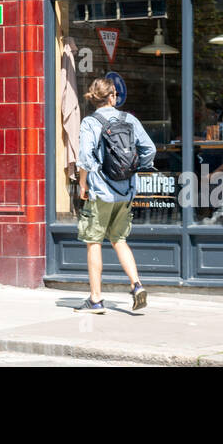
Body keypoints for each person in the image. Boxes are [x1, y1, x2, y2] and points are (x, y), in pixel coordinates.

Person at [75, 76, 156, 313]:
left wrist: (83, 184)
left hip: (101, 191)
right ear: (112, 96)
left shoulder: (90, 122)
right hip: (126, 190)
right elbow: (149, 149)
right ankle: (137, 285)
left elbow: (86, 159)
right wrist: (134, 169)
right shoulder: (129, 119)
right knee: (119, 239)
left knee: (93, 241)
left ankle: (96, 299)